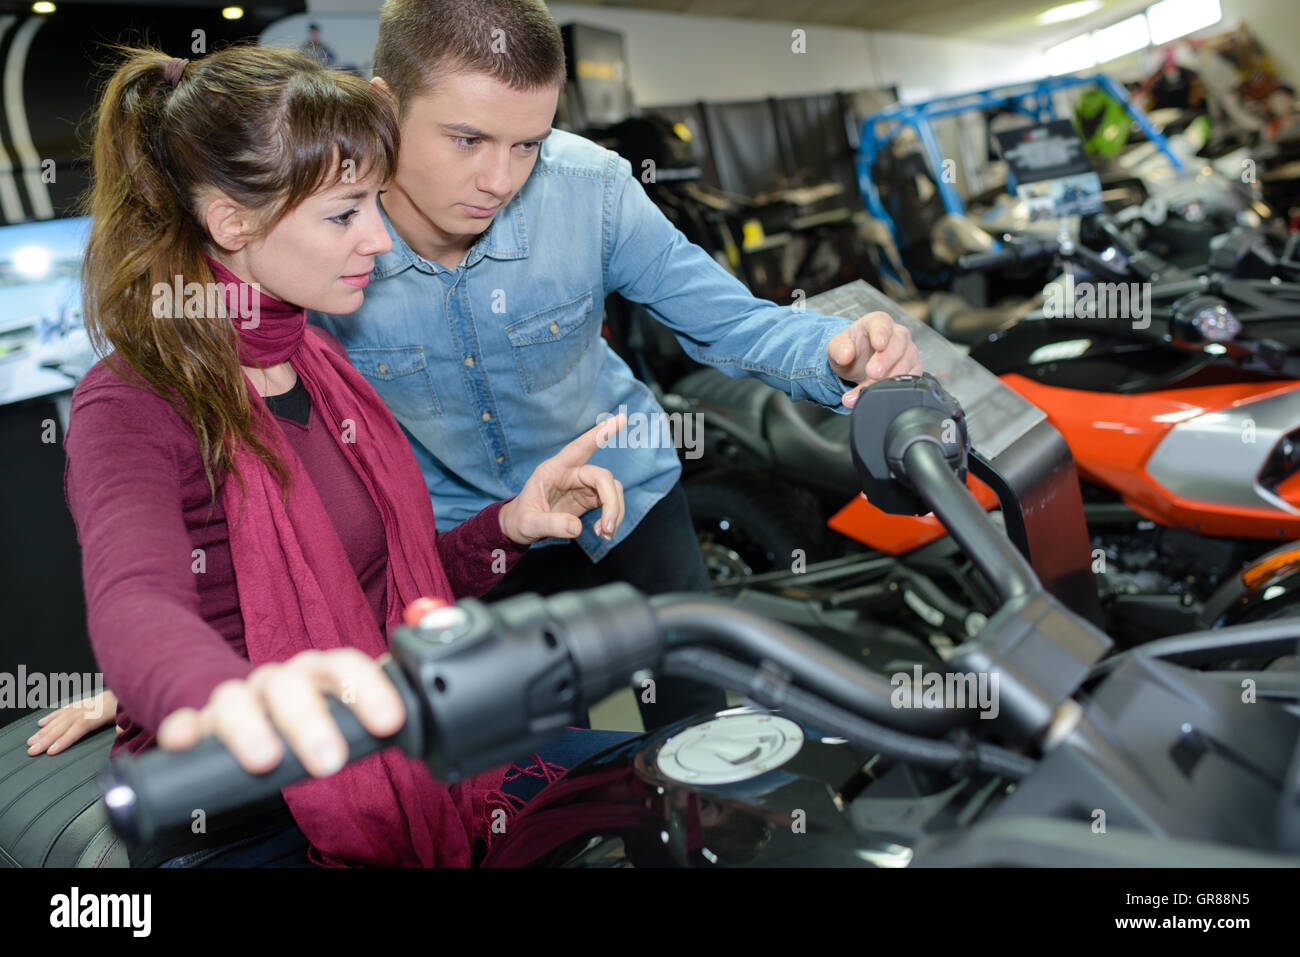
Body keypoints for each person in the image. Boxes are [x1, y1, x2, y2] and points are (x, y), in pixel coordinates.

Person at [52, 43, 632, 868]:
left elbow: (383, 586)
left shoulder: (317, 360)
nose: (380, 240)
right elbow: (133, 603)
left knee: (648, 793)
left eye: (374, 203)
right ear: (232, 223)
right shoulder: (131, 402)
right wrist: (219, 695)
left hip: (398, 738)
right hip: (244, 799)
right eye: (344, 212)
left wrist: (510, 525)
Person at [307, 0, 923, 731]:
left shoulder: (591, 188)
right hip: (470, 546)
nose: (499, 179)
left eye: (527, 144)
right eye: (467, 139)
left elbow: (727, 320)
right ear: (384, 104)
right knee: (519, 786)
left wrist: (834, 350)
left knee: (694, 740)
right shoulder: (319, 230)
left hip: (627, 504)